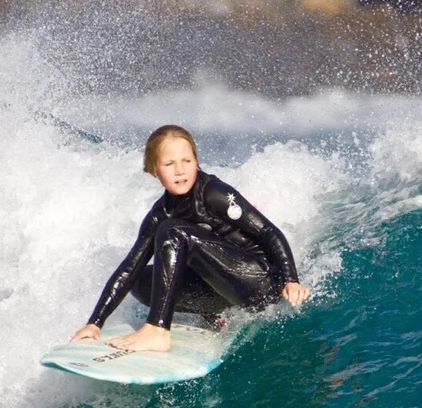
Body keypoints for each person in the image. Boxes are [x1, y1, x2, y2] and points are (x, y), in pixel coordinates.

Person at [70, 125, 310, 352]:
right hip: (223, 290)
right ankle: (212, 314)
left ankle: (157, 329)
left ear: (196, 162)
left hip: (259, 282)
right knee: (140, 279)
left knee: (173, 231)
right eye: (169, 163)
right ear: (153, 169)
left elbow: (268, 231)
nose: (180, 170)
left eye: (187, 161)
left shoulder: (214, 193)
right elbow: (129, 268)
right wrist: (95, 322)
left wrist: (291, 279)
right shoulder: (159, 214)